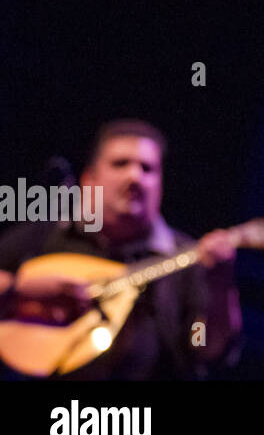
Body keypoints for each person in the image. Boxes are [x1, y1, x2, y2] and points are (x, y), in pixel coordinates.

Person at [0, 119, 243, 379]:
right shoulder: (45, 235)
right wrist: (21, 288)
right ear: (89, 180)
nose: (135, 177)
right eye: (120, 164)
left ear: (161, 184)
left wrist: (220, 289)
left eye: (147, 169)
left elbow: (202, 346)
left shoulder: (189, 260)